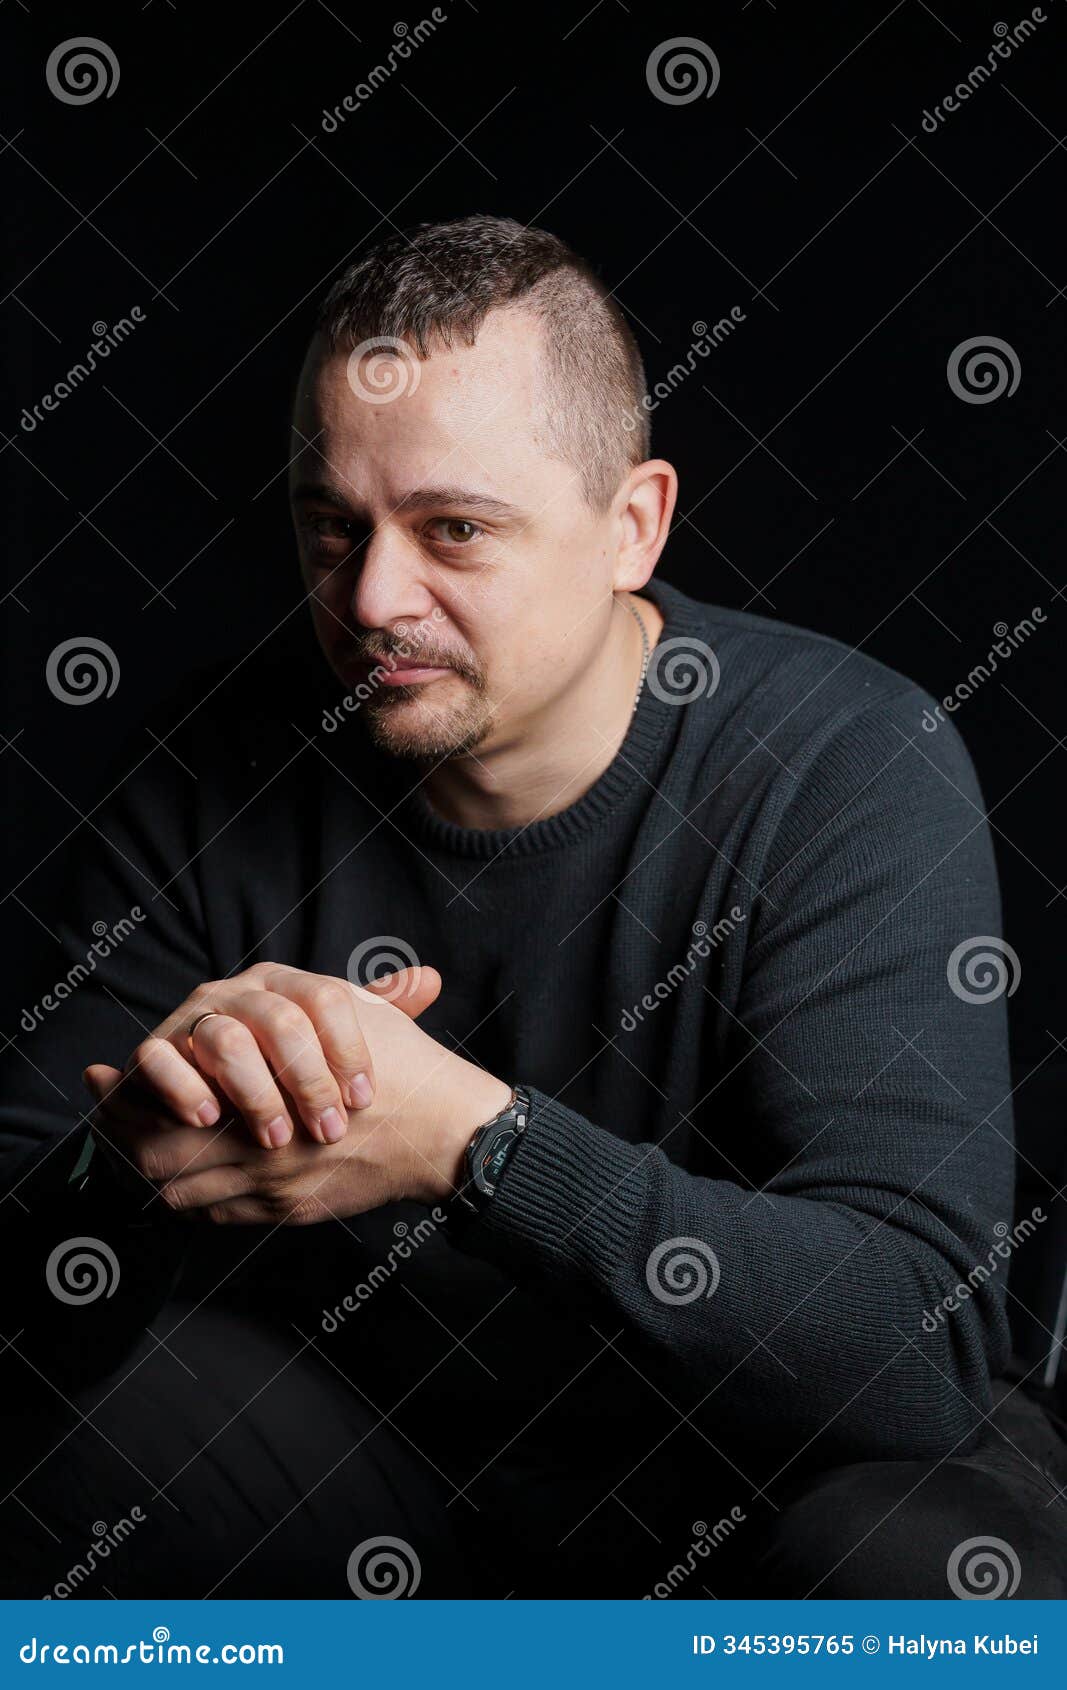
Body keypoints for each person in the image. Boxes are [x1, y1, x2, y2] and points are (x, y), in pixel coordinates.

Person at [1, 216, 1064, 1600]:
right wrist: (129, 1158)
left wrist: (476, 1146)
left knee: (925, 1573)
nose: (374, 598)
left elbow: (914, 1347)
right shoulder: (219, 762)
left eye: (454, 529)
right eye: (334, 526)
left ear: (634, 524)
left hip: (778, 1475)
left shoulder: (845, 758)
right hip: (392, 1475)